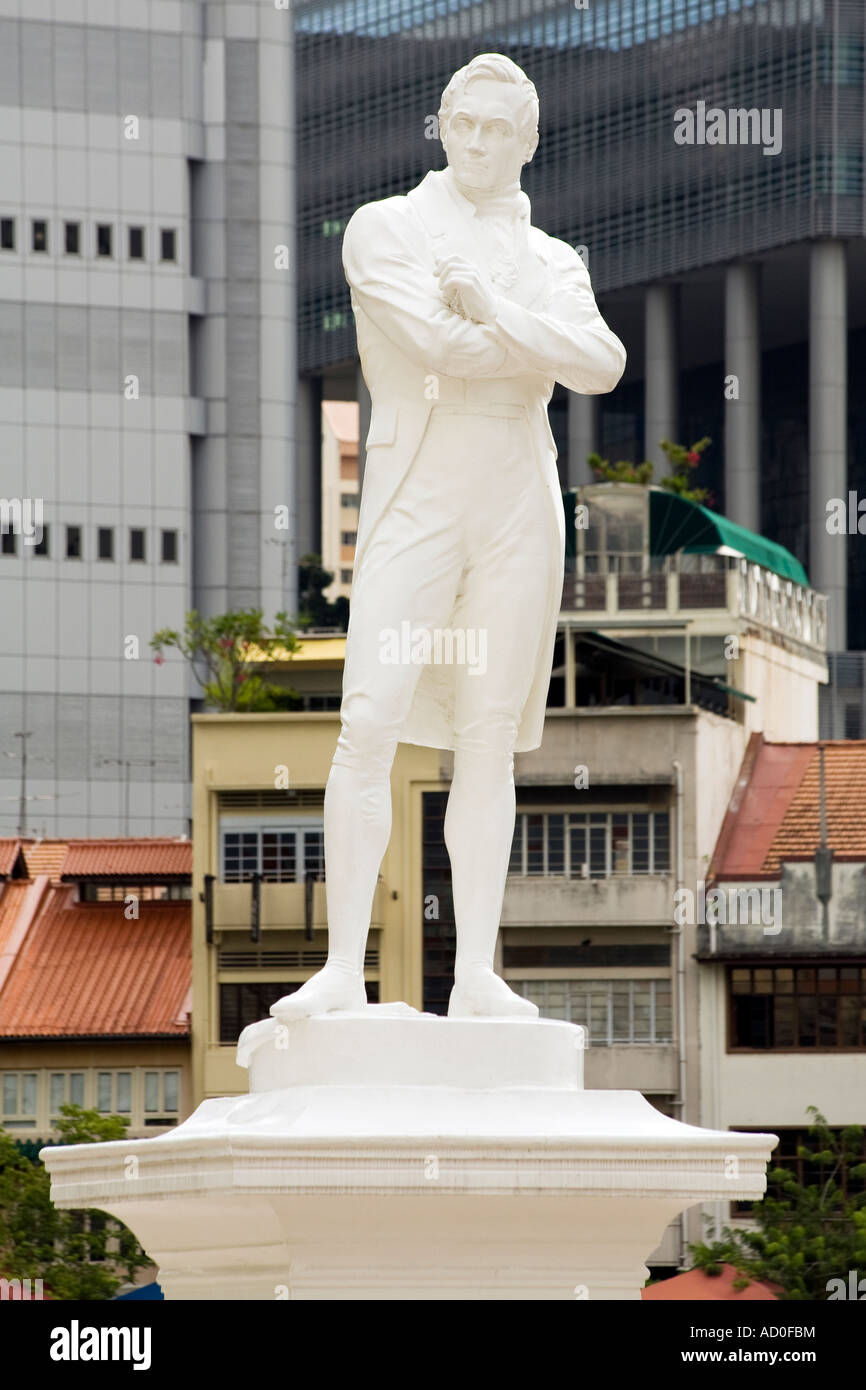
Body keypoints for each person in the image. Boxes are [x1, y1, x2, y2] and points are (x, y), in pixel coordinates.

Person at [271, 53, 625, 1022]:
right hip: (419, 490)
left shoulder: (554, 260)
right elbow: (433, 347)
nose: (475, 144)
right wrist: (523, 347)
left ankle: (474, 974)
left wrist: (499, 311)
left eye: (496, 130)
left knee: (486, 738)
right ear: (440, 124)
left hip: (517, 497)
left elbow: (601, 363)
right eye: (462, 125)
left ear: (528, 140)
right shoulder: (388, 228)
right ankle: (343, 967)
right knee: (368, 719)